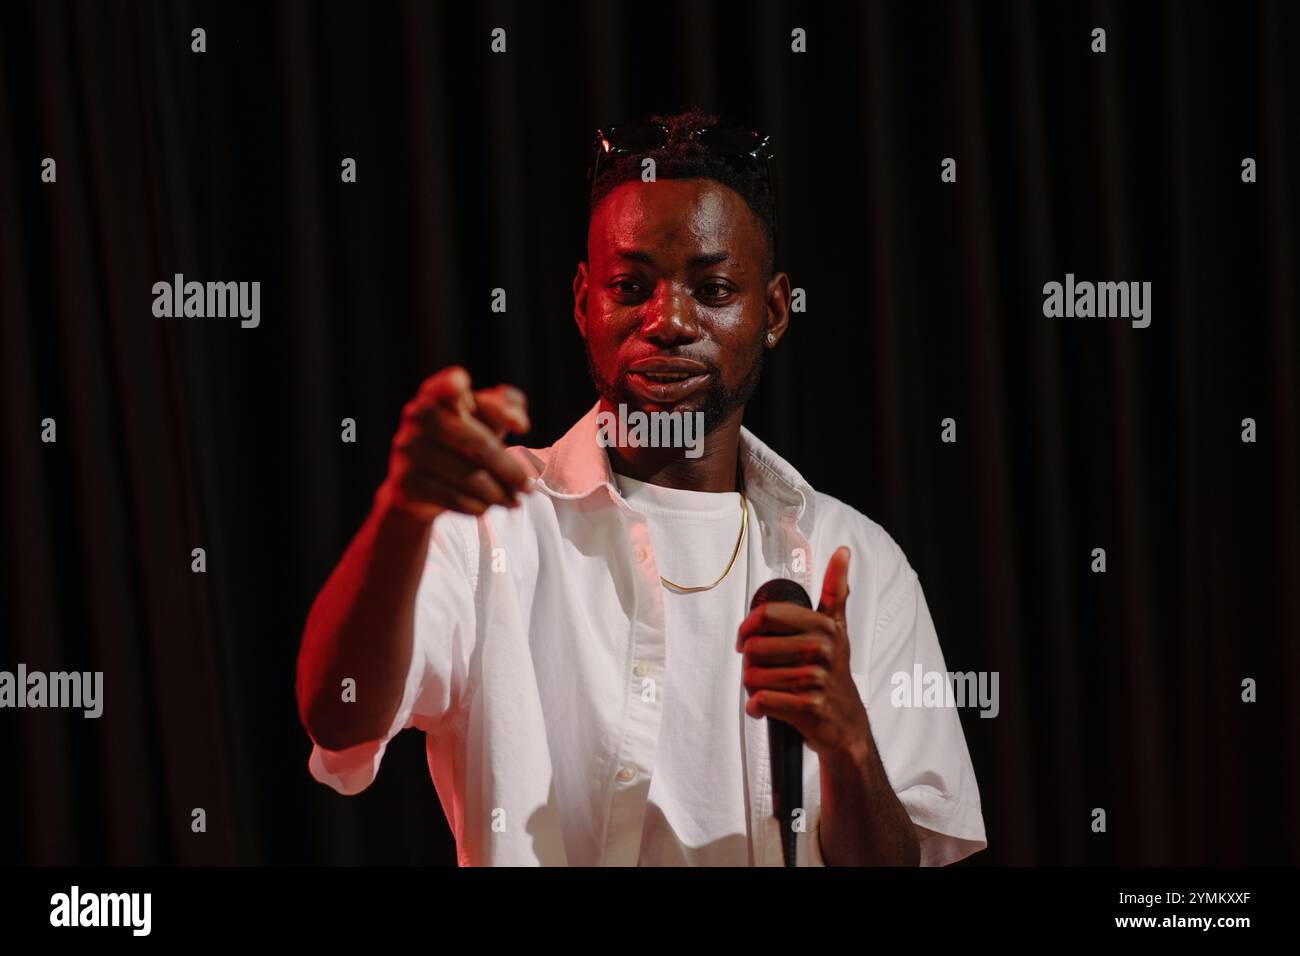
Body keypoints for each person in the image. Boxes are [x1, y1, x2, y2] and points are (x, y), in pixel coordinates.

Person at [295, 109, 987, 866]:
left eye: (714, 287)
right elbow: (340, 717)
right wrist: (402, 513)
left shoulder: (857, 560)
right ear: (582, 302)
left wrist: (848, 740)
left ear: (776, 311)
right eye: (631, 286)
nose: (668, 321)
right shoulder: (489, 524)